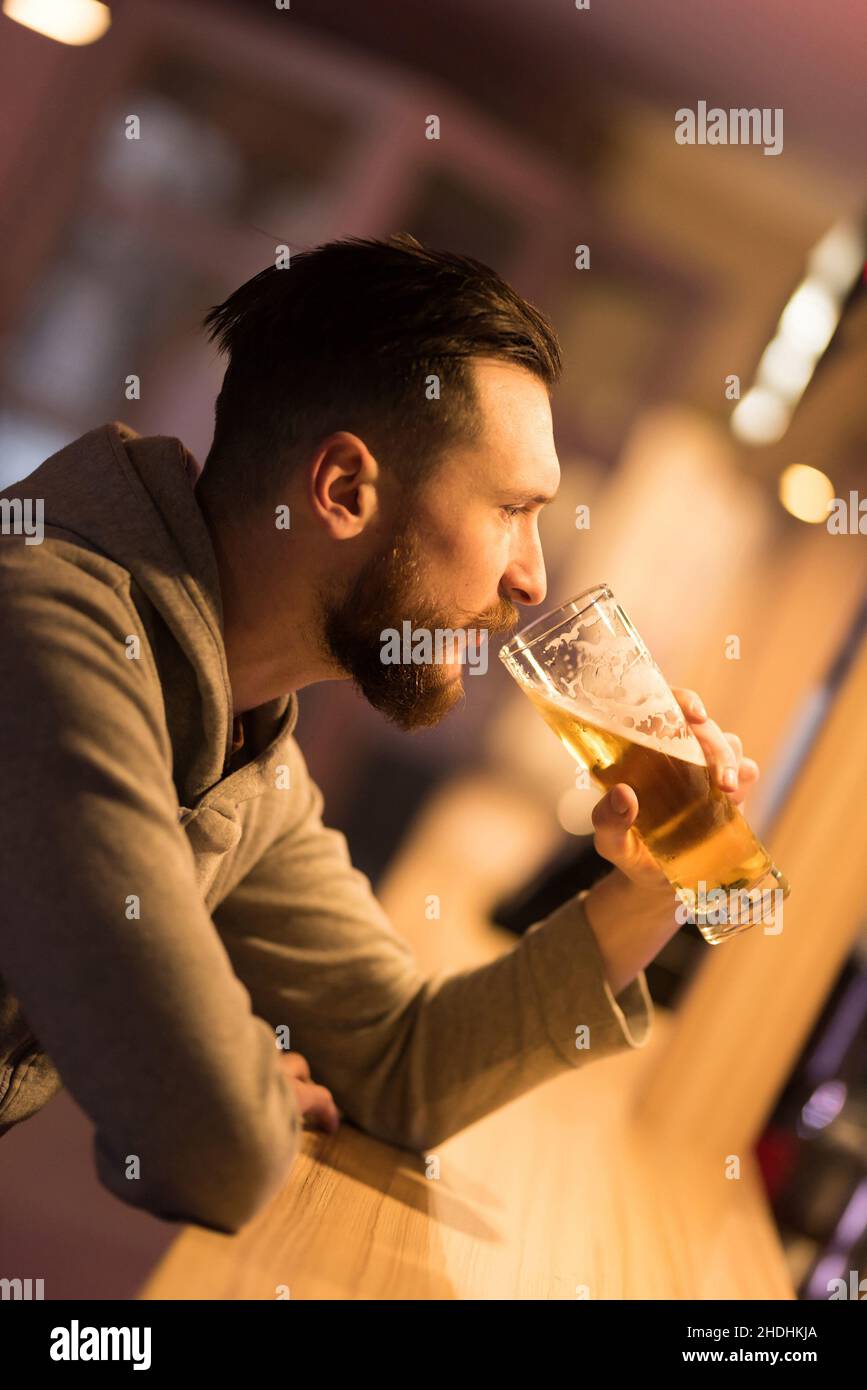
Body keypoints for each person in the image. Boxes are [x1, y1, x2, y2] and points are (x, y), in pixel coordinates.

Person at [0, 234, 759, 1233]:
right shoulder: (51, 635)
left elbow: (399, 1066)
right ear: (345, 490)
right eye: (512, 509)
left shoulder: (247, 735)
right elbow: (209, 1144)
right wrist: (242, 1092)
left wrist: (652, 891)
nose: (532, 577)